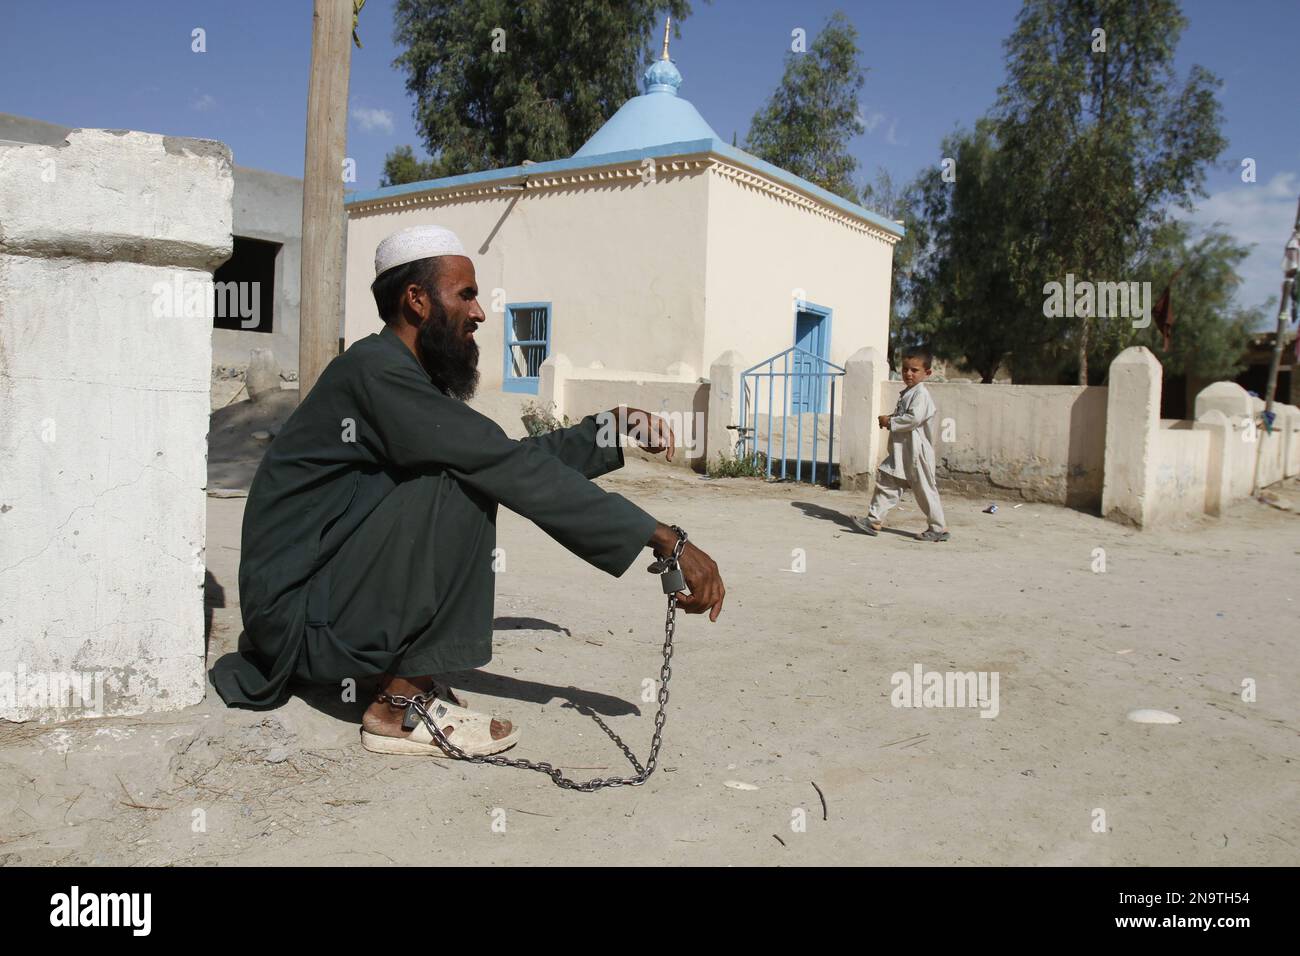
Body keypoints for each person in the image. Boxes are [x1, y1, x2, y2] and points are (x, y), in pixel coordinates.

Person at [211, 224, 725, 757]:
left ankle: (386, 673)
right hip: (298, 620)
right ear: (417, 300)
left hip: (314, 603)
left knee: (465, 469)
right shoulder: (375, 374)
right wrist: (660, 537)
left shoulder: (397, 373)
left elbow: (502, 456)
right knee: (456, 480)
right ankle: (397, 707)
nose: (480, 313)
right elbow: (498, 464)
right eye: (467, 295)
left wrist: (608, 429)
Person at [852, 348, 950, 542]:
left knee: (924, 489)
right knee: (887, 482)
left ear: (927, 373)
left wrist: (890, 421)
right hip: (901, 451)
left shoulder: (921, 395)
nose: (908, 374)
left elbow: (913, 419)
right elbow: (905, 416)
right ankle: (873, 520)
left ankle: (938, 528)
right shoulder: (907, 393)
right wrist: (890, 419)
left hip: (917, 453)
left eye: (914, 370)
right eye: (905, 369)